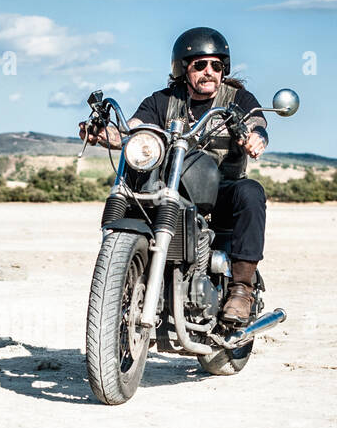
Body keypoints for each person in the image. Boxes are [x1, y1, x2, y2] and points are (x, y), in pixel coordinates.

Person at [79, 27, 269, 325]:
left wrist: (255, 137)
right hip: (175, 189)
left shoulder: (238, 99)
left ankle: (241, 290)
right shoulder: (162, 100)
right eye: (200, 65)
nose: (209, 72)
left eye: (216, 66)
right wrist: (104, 134)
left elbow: (257, 122)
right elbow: (132, 131)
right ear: (183, 68)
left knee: (251, 192)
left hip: (222, 190)